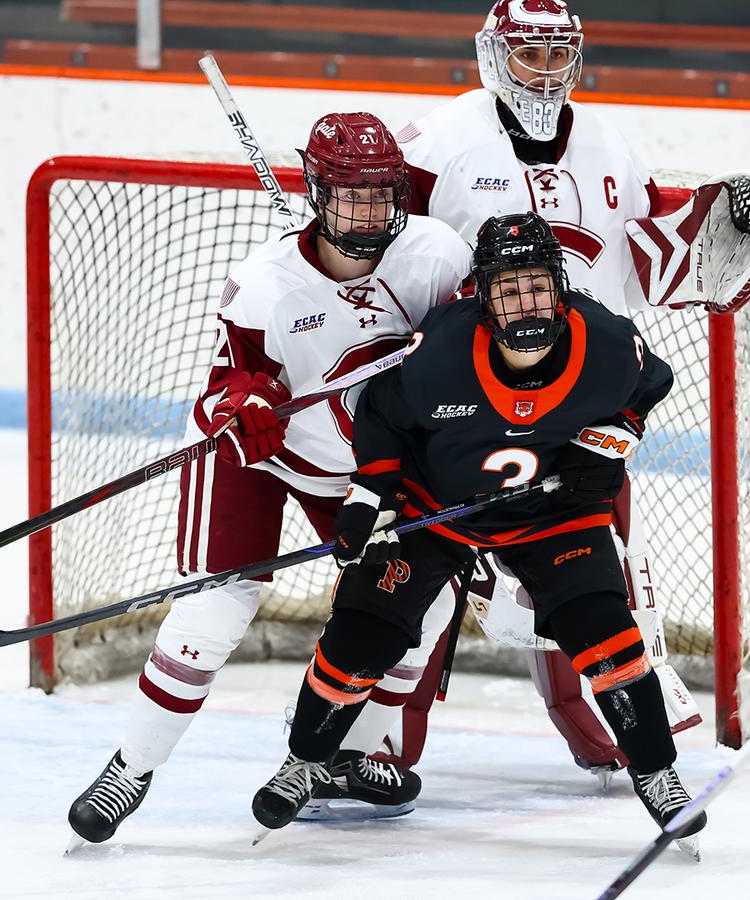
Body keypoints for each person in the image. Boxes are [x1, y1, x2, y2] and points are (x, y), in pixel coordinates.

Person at [66, 111, 474, 845]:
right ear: (318, 193)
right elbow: (221, 393)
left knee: (430, 603)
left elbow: (472, 350)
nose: (368, 215)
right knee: (214, 609)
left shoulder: (437, 255)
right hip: (260, 457)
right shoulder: (264, 285)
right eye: (350, 197)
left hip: (361, 469)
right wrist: (244, 408)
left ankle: (339, 757)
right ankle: (132, 767)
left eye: (381, 196)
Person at [249, 212, 706, 854]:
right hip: (438, 509)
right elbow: (381, 413)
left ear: (560, 286)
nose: (526, 303)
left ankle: (657, 773)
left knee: (603, 629)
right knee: (363, 632)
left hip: (551, 513)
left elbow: (650, 383)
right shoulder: (440, 352)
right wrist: (369, 494)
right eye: (508, 289)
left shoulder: (606, 342)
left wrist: (608, 442)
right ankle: (306, 761)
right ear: (482, 298)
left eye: (538, 285)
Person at [354, 0, 714, 795]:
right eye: (530, 53)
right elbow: (374, 239)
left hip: (578, 402)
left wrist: (722, 225)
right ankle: (375, 742)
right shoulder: (439, 141)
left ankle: (601, 733)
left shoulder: (611, 143)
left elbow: (655, 248)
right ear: (495, 54)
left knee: (583, 573)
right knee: (425, 580)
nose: (546, 71)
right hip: (462, 402)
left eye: (558, 53)